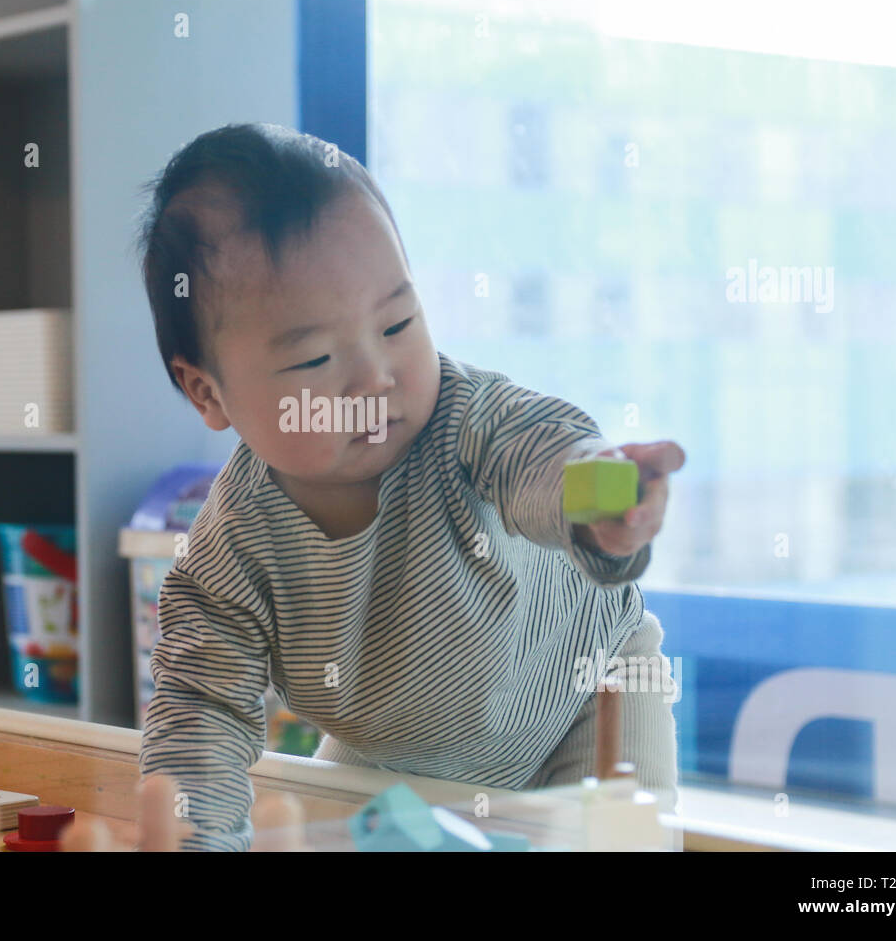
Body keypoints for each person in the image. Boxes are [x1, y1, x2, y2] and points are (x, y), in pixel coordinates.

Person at [135, 122, 684, 850]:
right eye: (316, 358)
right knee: (329, 832)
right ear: (208, 393)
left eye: (397, 323)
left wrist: (599, 498)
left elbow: (538, 455)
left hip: (588, 695)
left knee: (621, 839)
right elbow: (198, 712)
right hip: (395, 751)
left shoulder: (466, 422)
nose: (376, 376)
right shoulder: (230, 555)